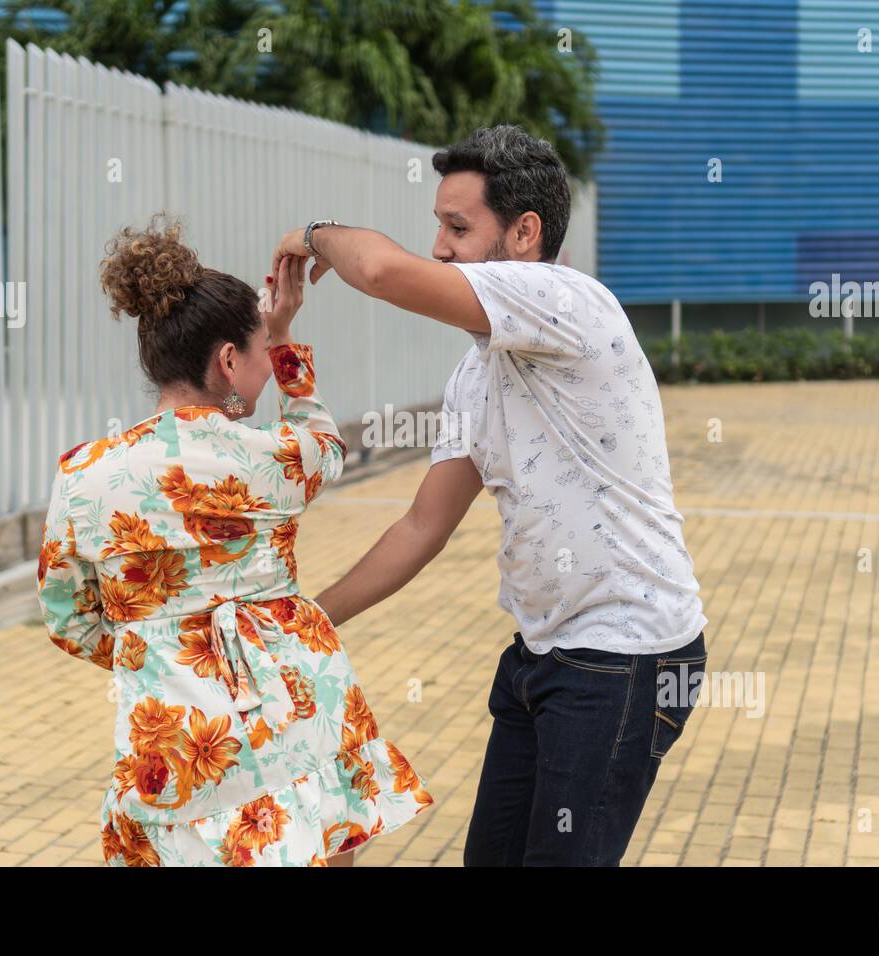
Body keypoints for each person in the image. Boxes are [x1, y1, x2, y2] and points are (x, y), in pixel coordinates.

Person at [272, 125, 709, 866]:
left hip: (625, 657)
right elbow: (422, 524)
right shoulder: (477, 374)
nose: (438, 246)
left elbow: (379, 271)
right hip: (542, 654)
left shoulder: (567, 301)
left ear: (524, 233)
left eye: (457, 227)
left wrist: (311, 236)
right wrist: (305, 619)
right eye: (438, 226)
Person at [36, 216, 433, 867]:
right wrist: (283, 335)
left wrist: (156, 647)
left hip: (181, 742)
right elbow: (324, 442)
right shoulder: (271, 459)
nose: (261, 370)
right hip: (301, 710)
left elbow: (67, 618)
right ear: (229, 360)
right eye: (256, 354)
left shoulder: (85, 475)